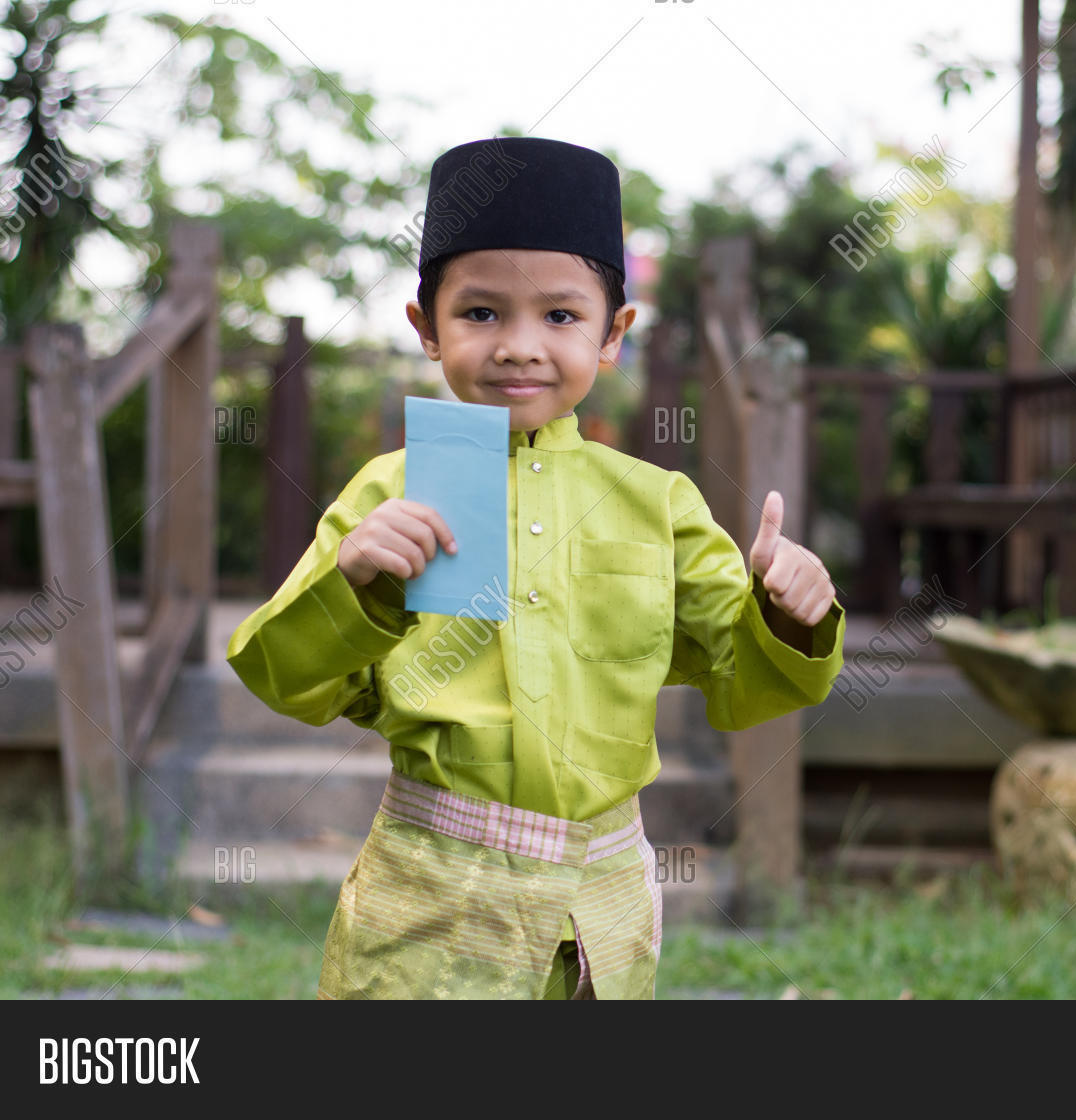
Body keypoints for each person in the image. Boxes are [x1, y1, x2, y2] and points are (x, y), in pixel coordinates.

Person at [225, 136, 846, 999]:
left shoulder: (657, 504)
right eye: (481, 313)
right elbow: (283, 677)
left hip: (601, 919)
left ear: (613, 335)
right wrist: (356, 590)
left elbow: (744, 681)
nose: (520, 346)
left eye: (559, 316)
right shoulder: (390, 493)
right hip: (429, 904)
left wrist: (789, 614)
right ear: (426, 329)